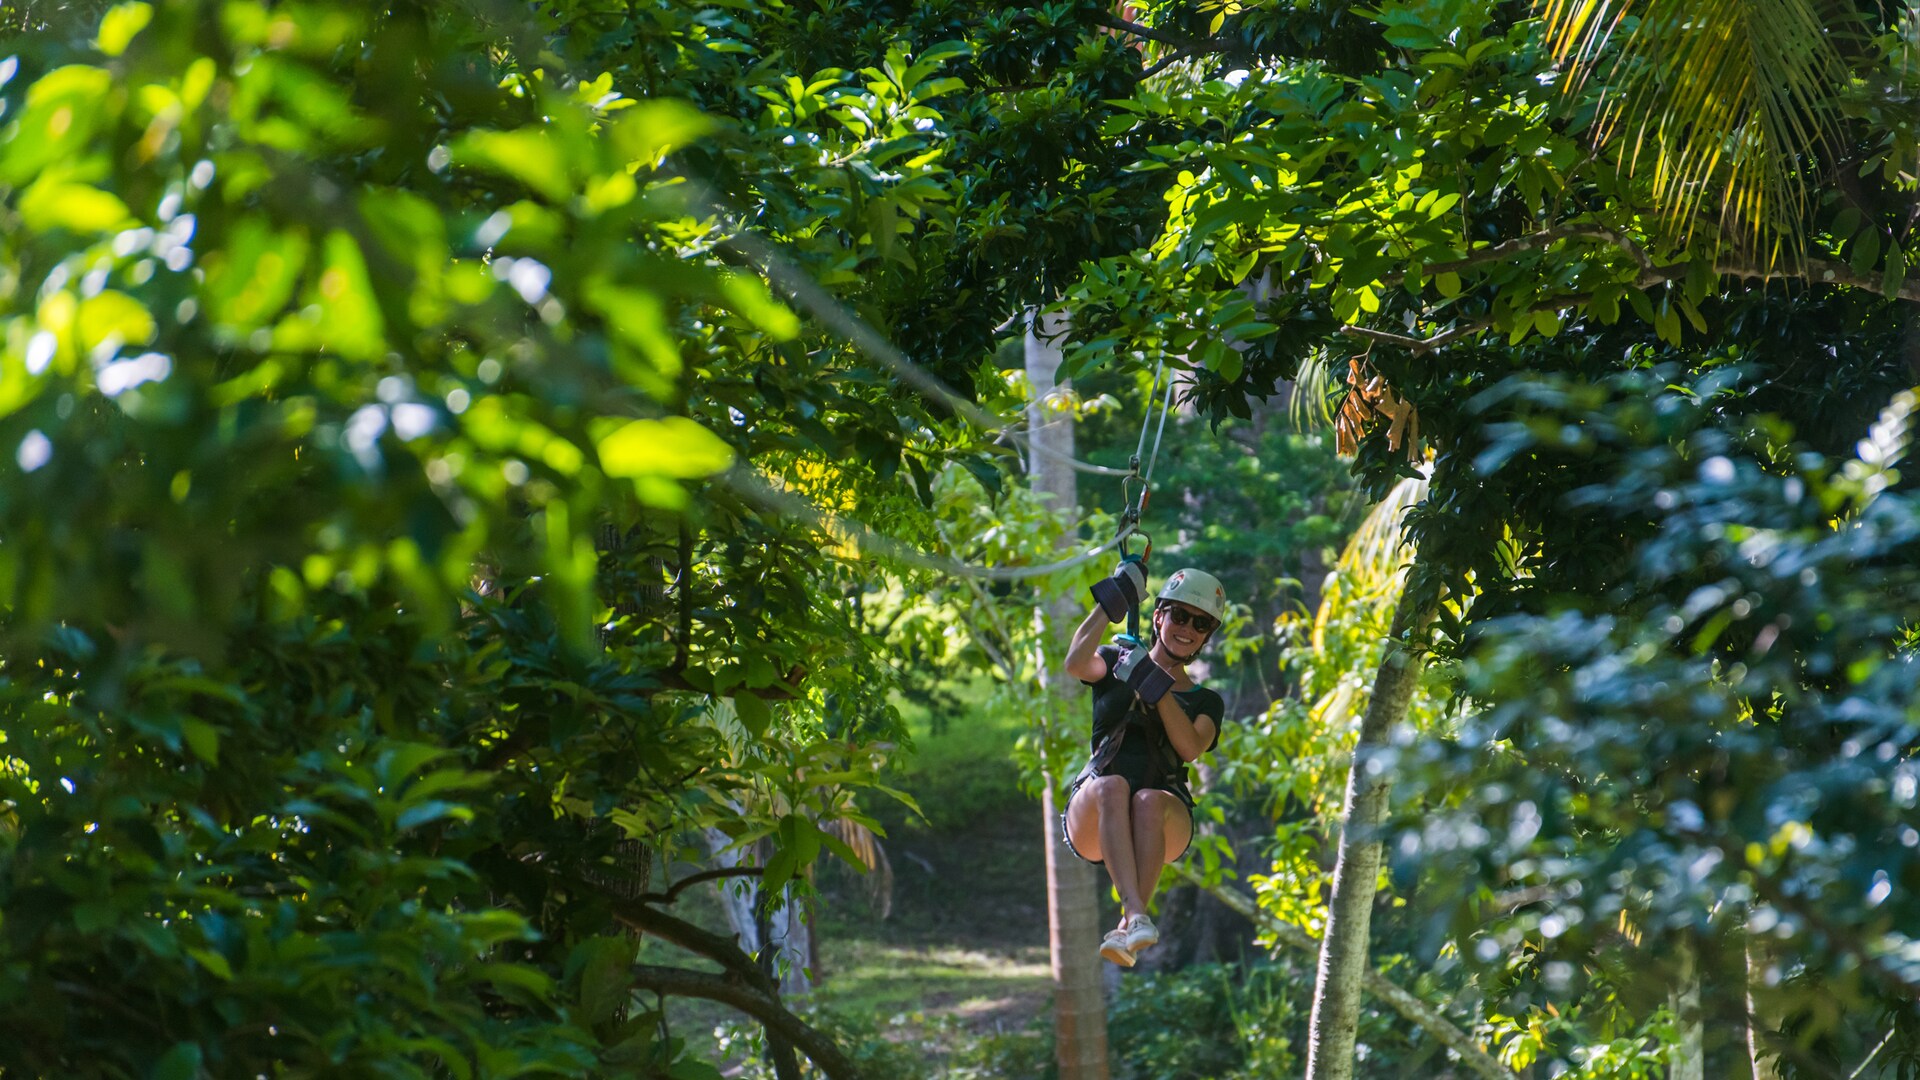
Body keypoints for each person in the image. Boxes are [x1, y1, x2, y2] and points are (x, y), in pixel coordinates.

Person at [1062, 564, 1228, 967]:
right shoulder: (1113, 662)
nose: (1188, 628)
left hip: (1163, 816)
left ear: (1206, 636)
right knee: (1111, 786)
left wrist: (1151, 680)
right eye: (1180, 615)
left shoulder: (1207, 701)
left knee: (1149, 800)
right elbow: (1075, 662)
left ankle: (1132, 919)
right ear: (1159, 617)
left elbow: (1190, 747)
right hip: (1095, 812)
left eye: (1201, 623)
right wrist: (1113, 598)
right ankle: (1134, 916)